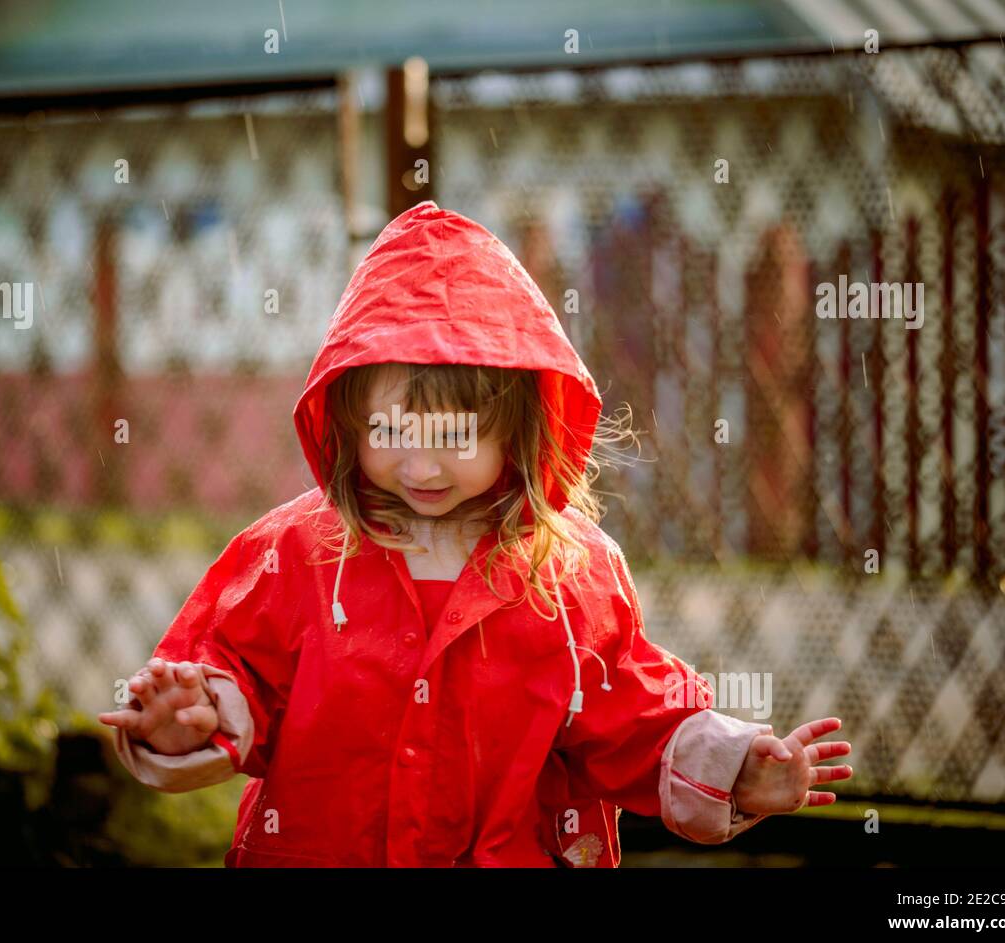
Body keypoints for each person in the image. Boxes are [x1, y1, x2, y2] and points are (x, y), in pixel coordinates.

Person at [98, 200, 852, 867]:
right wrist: (187, 717)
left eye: (455, 433)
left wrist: (733, 765)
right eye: (390, 429)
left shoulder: (570, 577)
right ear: (349, 417)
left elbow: (634, 712)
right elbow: (231, 670)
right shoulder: (294, 555)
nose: (421, 463)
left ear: (516, 424)